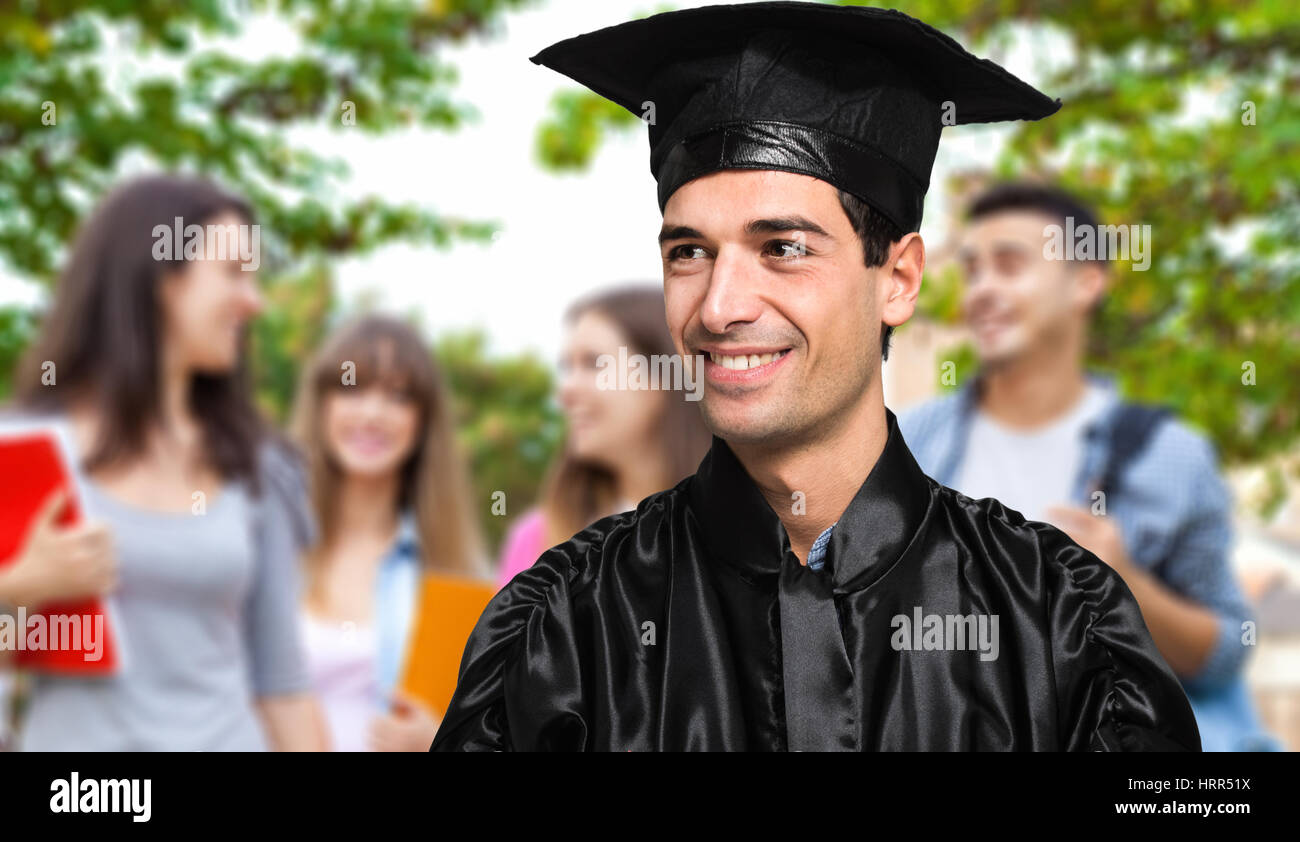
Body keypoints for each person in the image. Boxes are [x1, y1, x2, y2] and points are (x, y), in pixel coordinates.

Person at [432, 2, 1200, 751]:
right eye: (689, 253)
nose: (721, 306)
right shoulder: (564, 631)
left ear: (898, 278)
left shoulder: (1062, 625)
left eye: (783, 248)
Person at [899, 182, 1276, 751]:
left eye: (1010, 265)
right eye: (973, 270)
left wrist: (1124, 584)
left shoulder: (1167, 454)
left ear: (1086, 282)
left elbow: (1224, 652)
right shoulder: (912, 440)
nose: (982, 291)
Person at [0, 174, 322, 751]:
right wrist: (21, 587)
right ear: (157, 279)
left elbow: (282, 683)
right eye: (233, 273)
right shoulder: (20, 449)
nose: (254, 301)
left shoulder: (257, 464)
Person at [290, 315, 488, 751]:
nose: (373, 414)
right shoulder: (270, 546)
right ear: (321, 405)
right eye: (352, 388)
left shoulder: (458, 573)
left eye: (399, 396)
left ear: (423, 424)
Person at [496, 285, 712, 588]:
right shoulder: (535, 540)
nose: (565, 391)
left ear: (666, 377)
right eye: (566, 368)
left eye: (593, 363)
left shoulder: (757, 533)